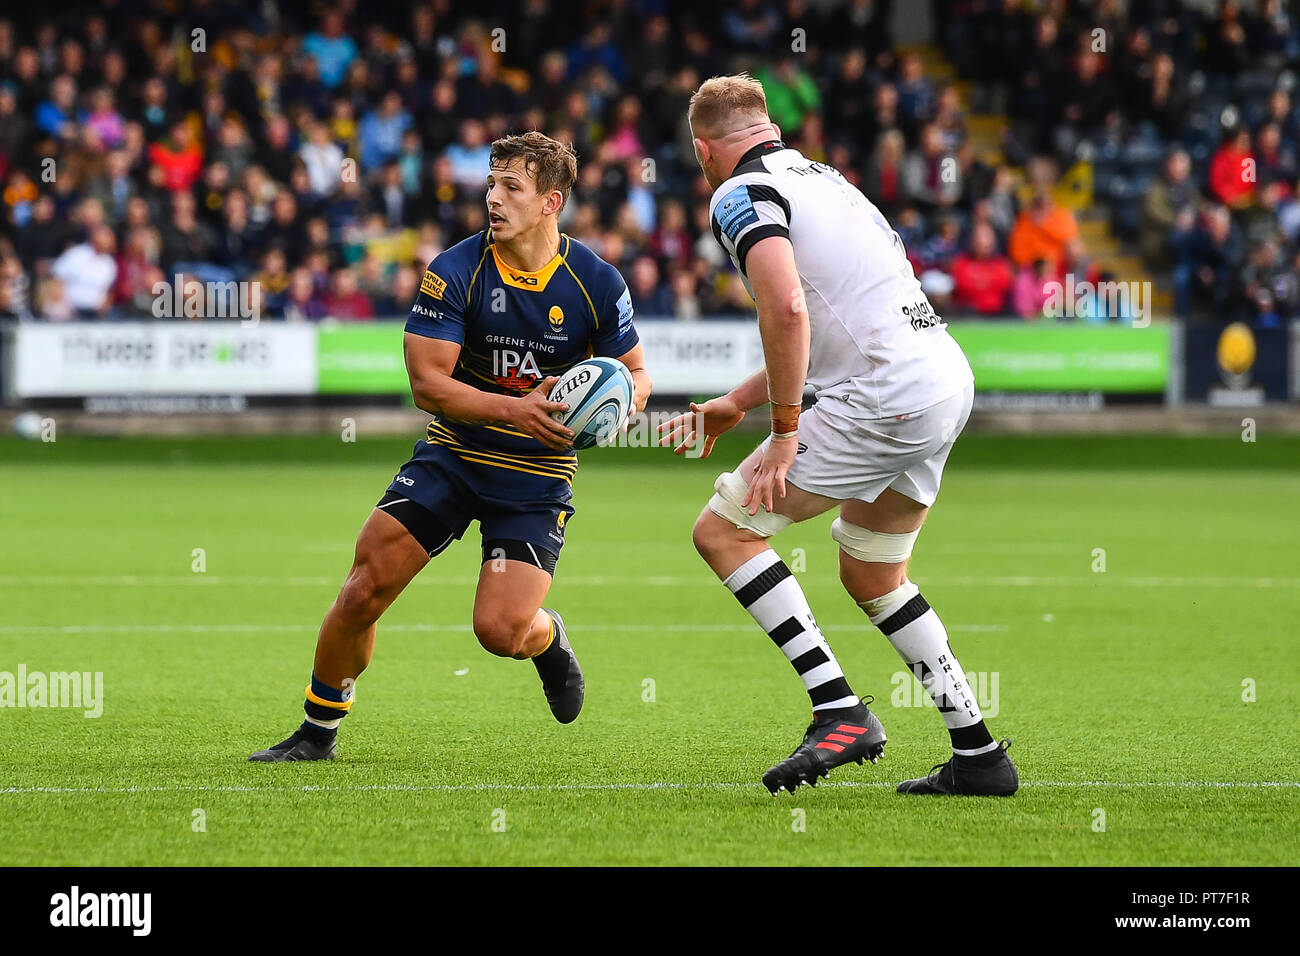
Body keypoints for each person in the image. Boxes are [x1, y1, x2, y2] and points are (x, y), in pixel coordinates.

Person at [660, 75, 1017, 796]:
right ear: (767, 127)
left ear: (704, 149)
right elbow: (826, 316)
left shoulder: (737, 194)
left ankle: (839, 711)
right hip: (942, 376)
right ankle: (979, 754)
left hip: (885, 394)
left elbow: (787, 309)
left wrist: (785, 435)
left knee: (725, 531)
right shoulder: (828, 180)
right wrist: (737, 401)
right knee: (872, 569)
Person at [251, 132, 651, 761]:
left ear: (551, 201)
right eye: (490, 184)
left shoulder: (596, 281)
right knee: (363, 588)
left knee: (498, 631)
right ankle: (317, 731)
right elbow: (427, 385)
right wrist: (515, 410)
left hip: (536, 477)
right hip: (453, 456)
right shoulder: (456, 269)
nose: (493, 197)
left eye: (510, 187)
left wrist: (624, 406)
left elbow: (635, 370)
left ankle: (546, 639)